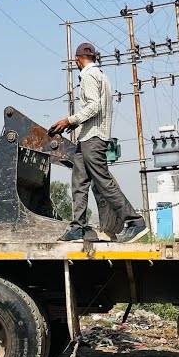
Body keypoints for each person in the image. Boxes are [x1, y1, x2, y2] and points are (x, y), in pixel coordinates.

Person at [48, 43, 148, 242]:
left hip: (93, 138)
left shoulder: (87, 76)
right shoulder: (102, 76)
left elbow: (94, 106)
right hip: (87, 136)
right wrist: (78, 124)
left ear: (77, 59)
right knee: (79, 181)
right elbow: (97, 109)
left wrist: (70, 120)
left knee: (102, 180)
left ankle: (135, 221)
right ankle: (77, 227)